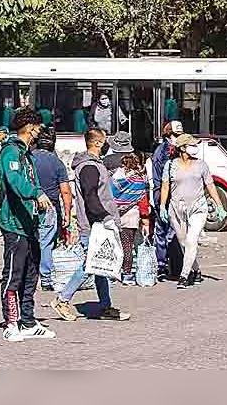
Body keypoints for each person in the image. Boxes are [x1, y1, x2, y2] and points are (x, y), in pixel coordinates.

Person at [51, 128, 132, 322]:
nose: (106, 145)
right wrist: (105, 217)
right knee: (91, 264)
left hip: (98, 223)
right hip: (95, 225)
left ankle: (105, 305)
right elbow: (90, 196)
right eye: (104, 142)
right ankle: (62, 299)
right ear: (96, 143)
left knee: (100, 265)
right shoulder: (89, 167)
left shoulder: (94, 164)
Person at [0, 107, 55, 342]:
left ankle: (28, 322)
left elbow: (32, 182)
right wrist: (35, 193)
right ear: (30, 128)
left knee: (31, 275)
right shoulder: (10, 152)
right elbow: (14, 181)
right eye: (38, 128)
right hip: (14, 224)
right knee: (13, 275)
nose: (40, 132)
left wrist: (40, 203)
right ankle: (11, 323)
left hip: (30, 225)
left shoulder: (27, 155)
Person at [160, 133, 222, 289]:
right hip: (176, 208)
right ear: (182, 148)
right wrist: (162, 206)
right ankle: (196, 269)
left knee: (191, 240)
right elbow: (165, 187)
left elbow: (210, 185)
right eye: (191, 145)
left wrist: (219, 205)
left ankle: (184, 275)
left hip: (198, 208)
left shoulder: (201, 165)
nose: (195, 148)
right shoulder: (170, 166)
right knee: (183, 242)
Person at [29, 127, 72, 292]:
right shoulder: (57, 162)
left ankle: (29, 277)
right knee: (46, 243)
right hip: (49, 207)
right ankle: (45, 279)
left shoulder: (29, 158)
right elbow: (66, 191)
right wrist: (67, 214)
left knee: (31, 241)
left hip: (29, 204)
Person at [109, 153, 151, 284]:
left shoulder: (115, 177)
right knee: (127, 247)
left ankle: (112, 272)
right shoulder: (138, 180)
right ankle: (126, 274)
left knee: (114, 246)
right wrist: (145, 220)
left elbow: (109, 195)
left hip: (113, 215)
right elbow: (142, 201)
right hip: (131, 217)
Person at [151, 120, 184, 277]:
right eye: (176, 135)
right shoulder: (163, 152)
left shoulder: (176, 150)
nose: (178, 138)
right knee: (167, 233)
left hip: (172, 197)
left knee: (170, 232)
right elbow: (163, 181)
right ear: (168, 135)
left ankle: (167, 265)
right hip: (164, 198)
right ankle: (163, 265)